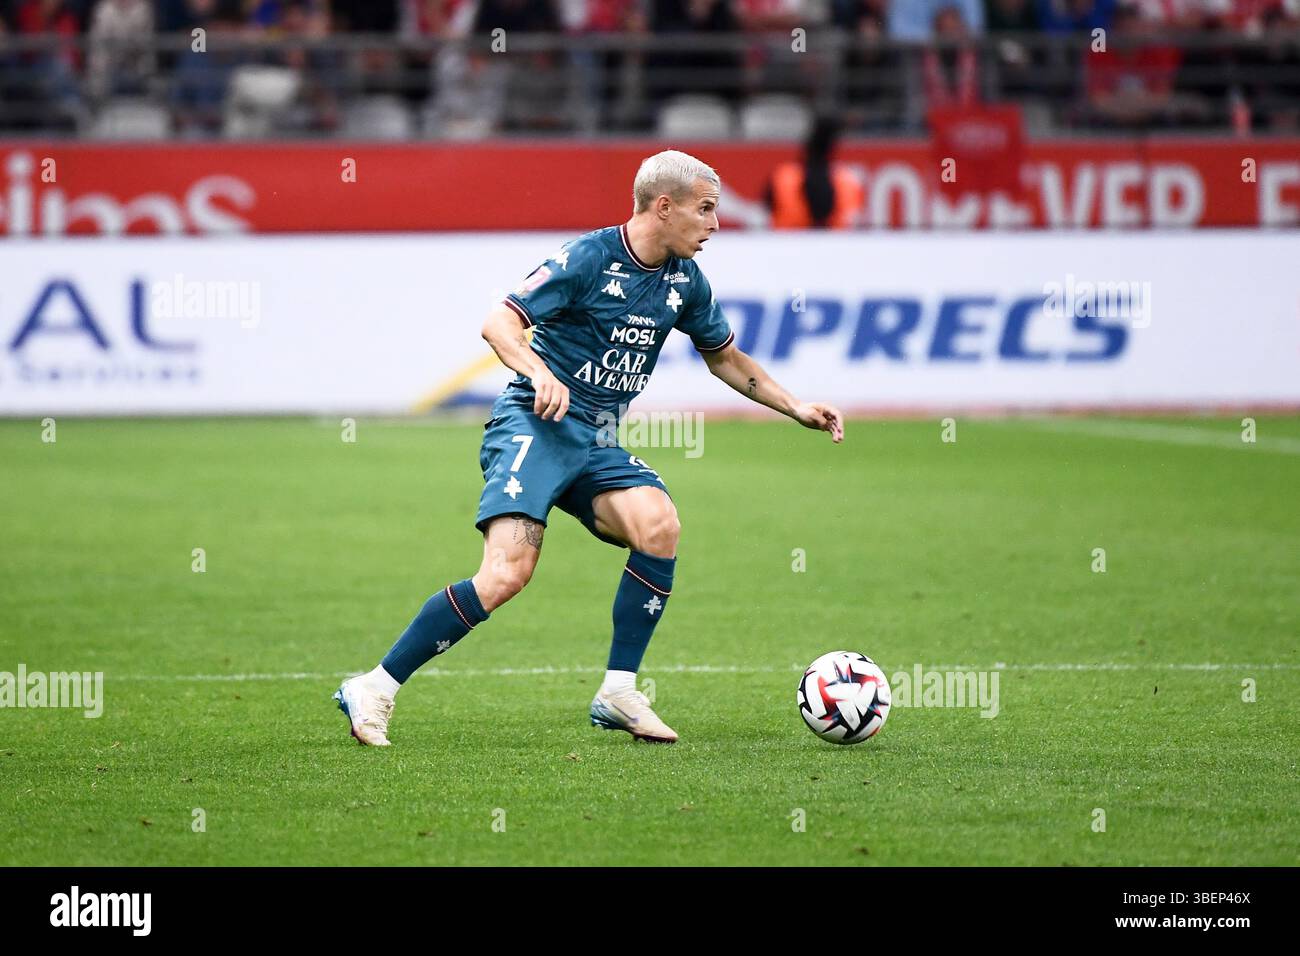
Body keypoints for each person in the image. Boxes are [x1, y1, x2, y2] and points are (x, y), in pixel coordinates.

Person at [335, 150, 845, 746]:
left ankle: (618, 691)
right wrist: (537, 372)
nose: (714, 223)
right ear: (664, 206)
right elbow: (499, 323)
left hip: (596, 441)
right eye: (705, 209)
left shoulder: (685, 280)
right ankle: (374, 687)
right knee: (506, 573)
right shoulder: (587, 258)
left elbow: (725, 357)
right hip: (534, 426)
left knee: (658, 525)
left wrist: (796, 407)